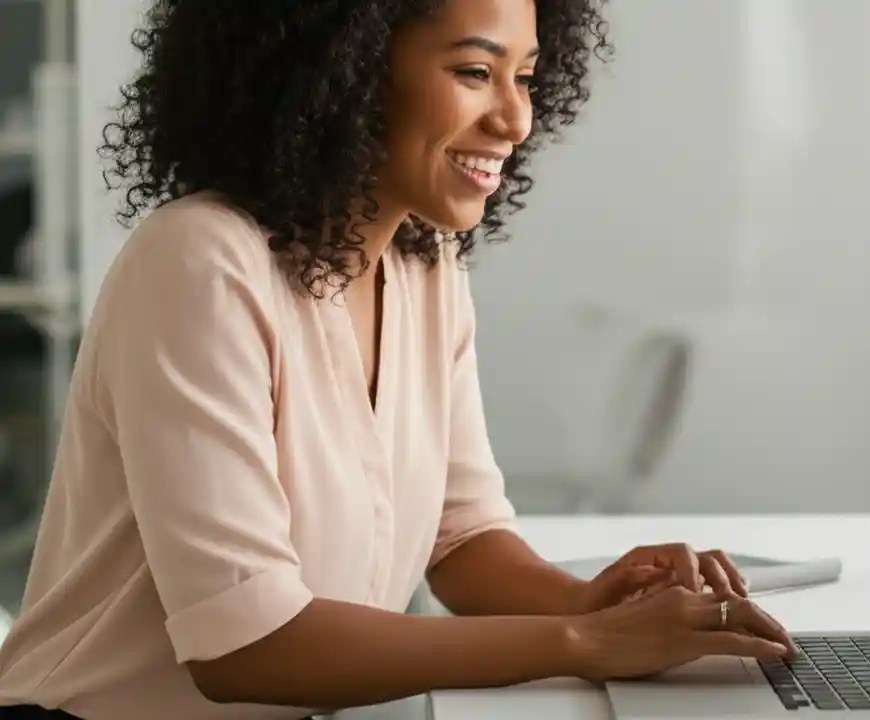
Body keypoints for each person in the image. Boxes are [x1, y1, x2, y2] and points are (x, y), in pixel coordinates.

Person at [0, 1, 794, 718]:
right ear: (344, 69)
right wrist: (583, 643)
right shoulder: (201, 263)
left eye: (526, 76)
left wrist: (592, 604)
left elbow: (461, 538)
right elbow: (245, 646)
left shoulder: (424, 265)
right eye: (476, 73)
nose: (516, 118)